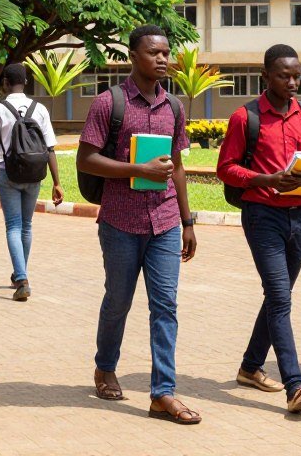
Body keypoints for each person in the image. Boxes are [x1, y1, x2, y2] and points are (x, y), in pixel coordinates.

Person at [76, 24, 200, 425]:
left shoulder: (175, 108)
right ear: (133, 55)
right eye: (153, 52)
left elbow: (177, 168)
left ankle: (162, 393)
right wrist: (136, 168)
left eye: (166, 52)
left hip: (164, 221)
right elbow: (86, 159)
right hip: (120, 222)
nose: (162, 59)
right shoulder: (108, 103)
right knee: (119, 301)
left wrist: (187, 220)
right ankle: (104, 365)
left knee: (166, 306)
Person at [216, 44, 301, 414]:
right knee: (280, 298)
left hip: (300, 217)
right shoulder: (244, 118)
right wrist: (266, 178)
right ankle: (295, 386)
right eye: (284, 75)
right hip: (262, 215)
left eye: (297, 75)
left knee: (277, 298)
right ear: (266, 76)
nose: (293, 82)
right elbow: (226, 168)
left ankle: (251, 367)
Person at [0, 63, 64, 301]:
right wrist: (57, 183)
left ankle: (22, 279)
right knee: (26, 226)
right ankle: (19, 274)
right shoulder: (40, 109)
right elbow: (50, 148)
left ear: (5, 83)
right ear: (25, 82)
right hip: (35, 175)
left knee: (13, 226)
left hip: (9, 174)